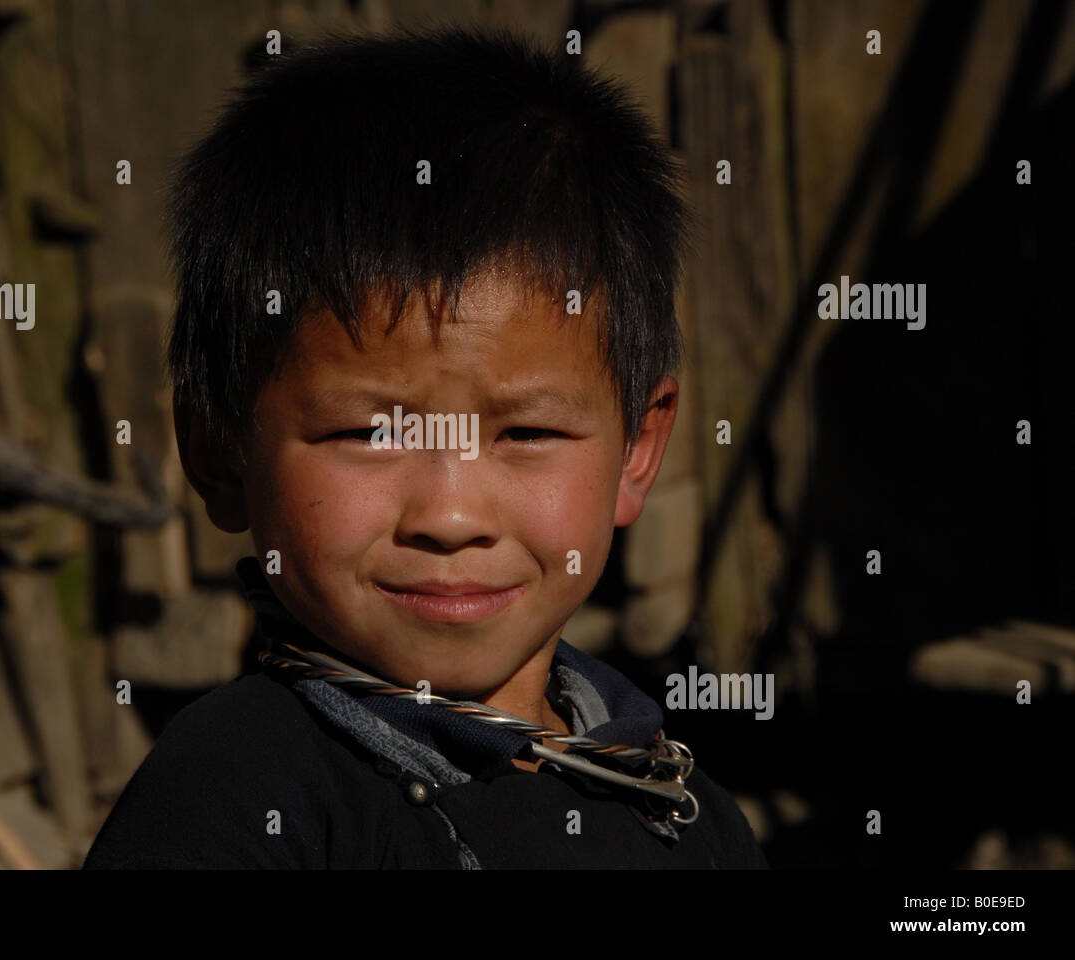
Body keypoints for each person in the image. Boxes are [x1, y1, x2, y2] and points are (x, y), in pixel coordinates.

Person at [84, 23, 767, 869]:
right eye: (372, 432)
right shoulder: (232, 803)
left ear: (637, 449)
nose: (450, 516)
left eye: (527, 432)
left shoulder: (678, 808)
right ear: (220, 449)